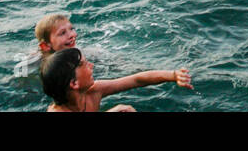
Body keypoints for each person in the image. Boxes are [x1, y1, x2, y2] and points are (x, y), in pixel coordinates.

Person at [40, 47, 193, 112]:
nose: (92, 65)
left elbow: (136, 80)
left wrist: (172, 75)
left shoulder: (94, 92)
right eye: (84, 65)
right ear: (74, 83)